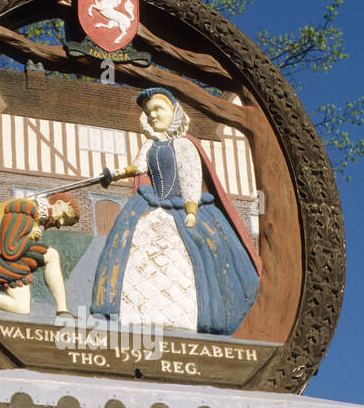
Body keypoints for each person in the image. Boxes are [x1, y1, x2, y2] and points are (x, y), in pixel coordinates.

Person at [91, 87, 260, 335]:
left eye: (158, 110)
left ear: (174, 113)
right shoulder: (149, 145)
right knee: (135, 253)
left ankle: (184, 318)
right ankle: (138, 314)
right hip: (152, 204)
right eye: (149, 113)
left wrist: (191, 212)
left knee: (192, 258)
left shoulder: (184, 145)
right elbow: (138, 167)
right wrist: (114, 175)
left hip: (183, 208)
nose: (153, 116)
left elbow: (191, 179)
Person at [0, 193, 78, 316]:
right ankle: (62, 310)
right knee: (52, 255)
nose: (60, 224)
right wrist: (30, 235)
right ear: (58, 204)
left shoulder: (33, 215)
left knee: (22, 308)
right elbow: (10, 249)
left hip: (8, 261)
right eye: (63, 216)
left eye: (65, 223)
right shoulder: (25, 208)